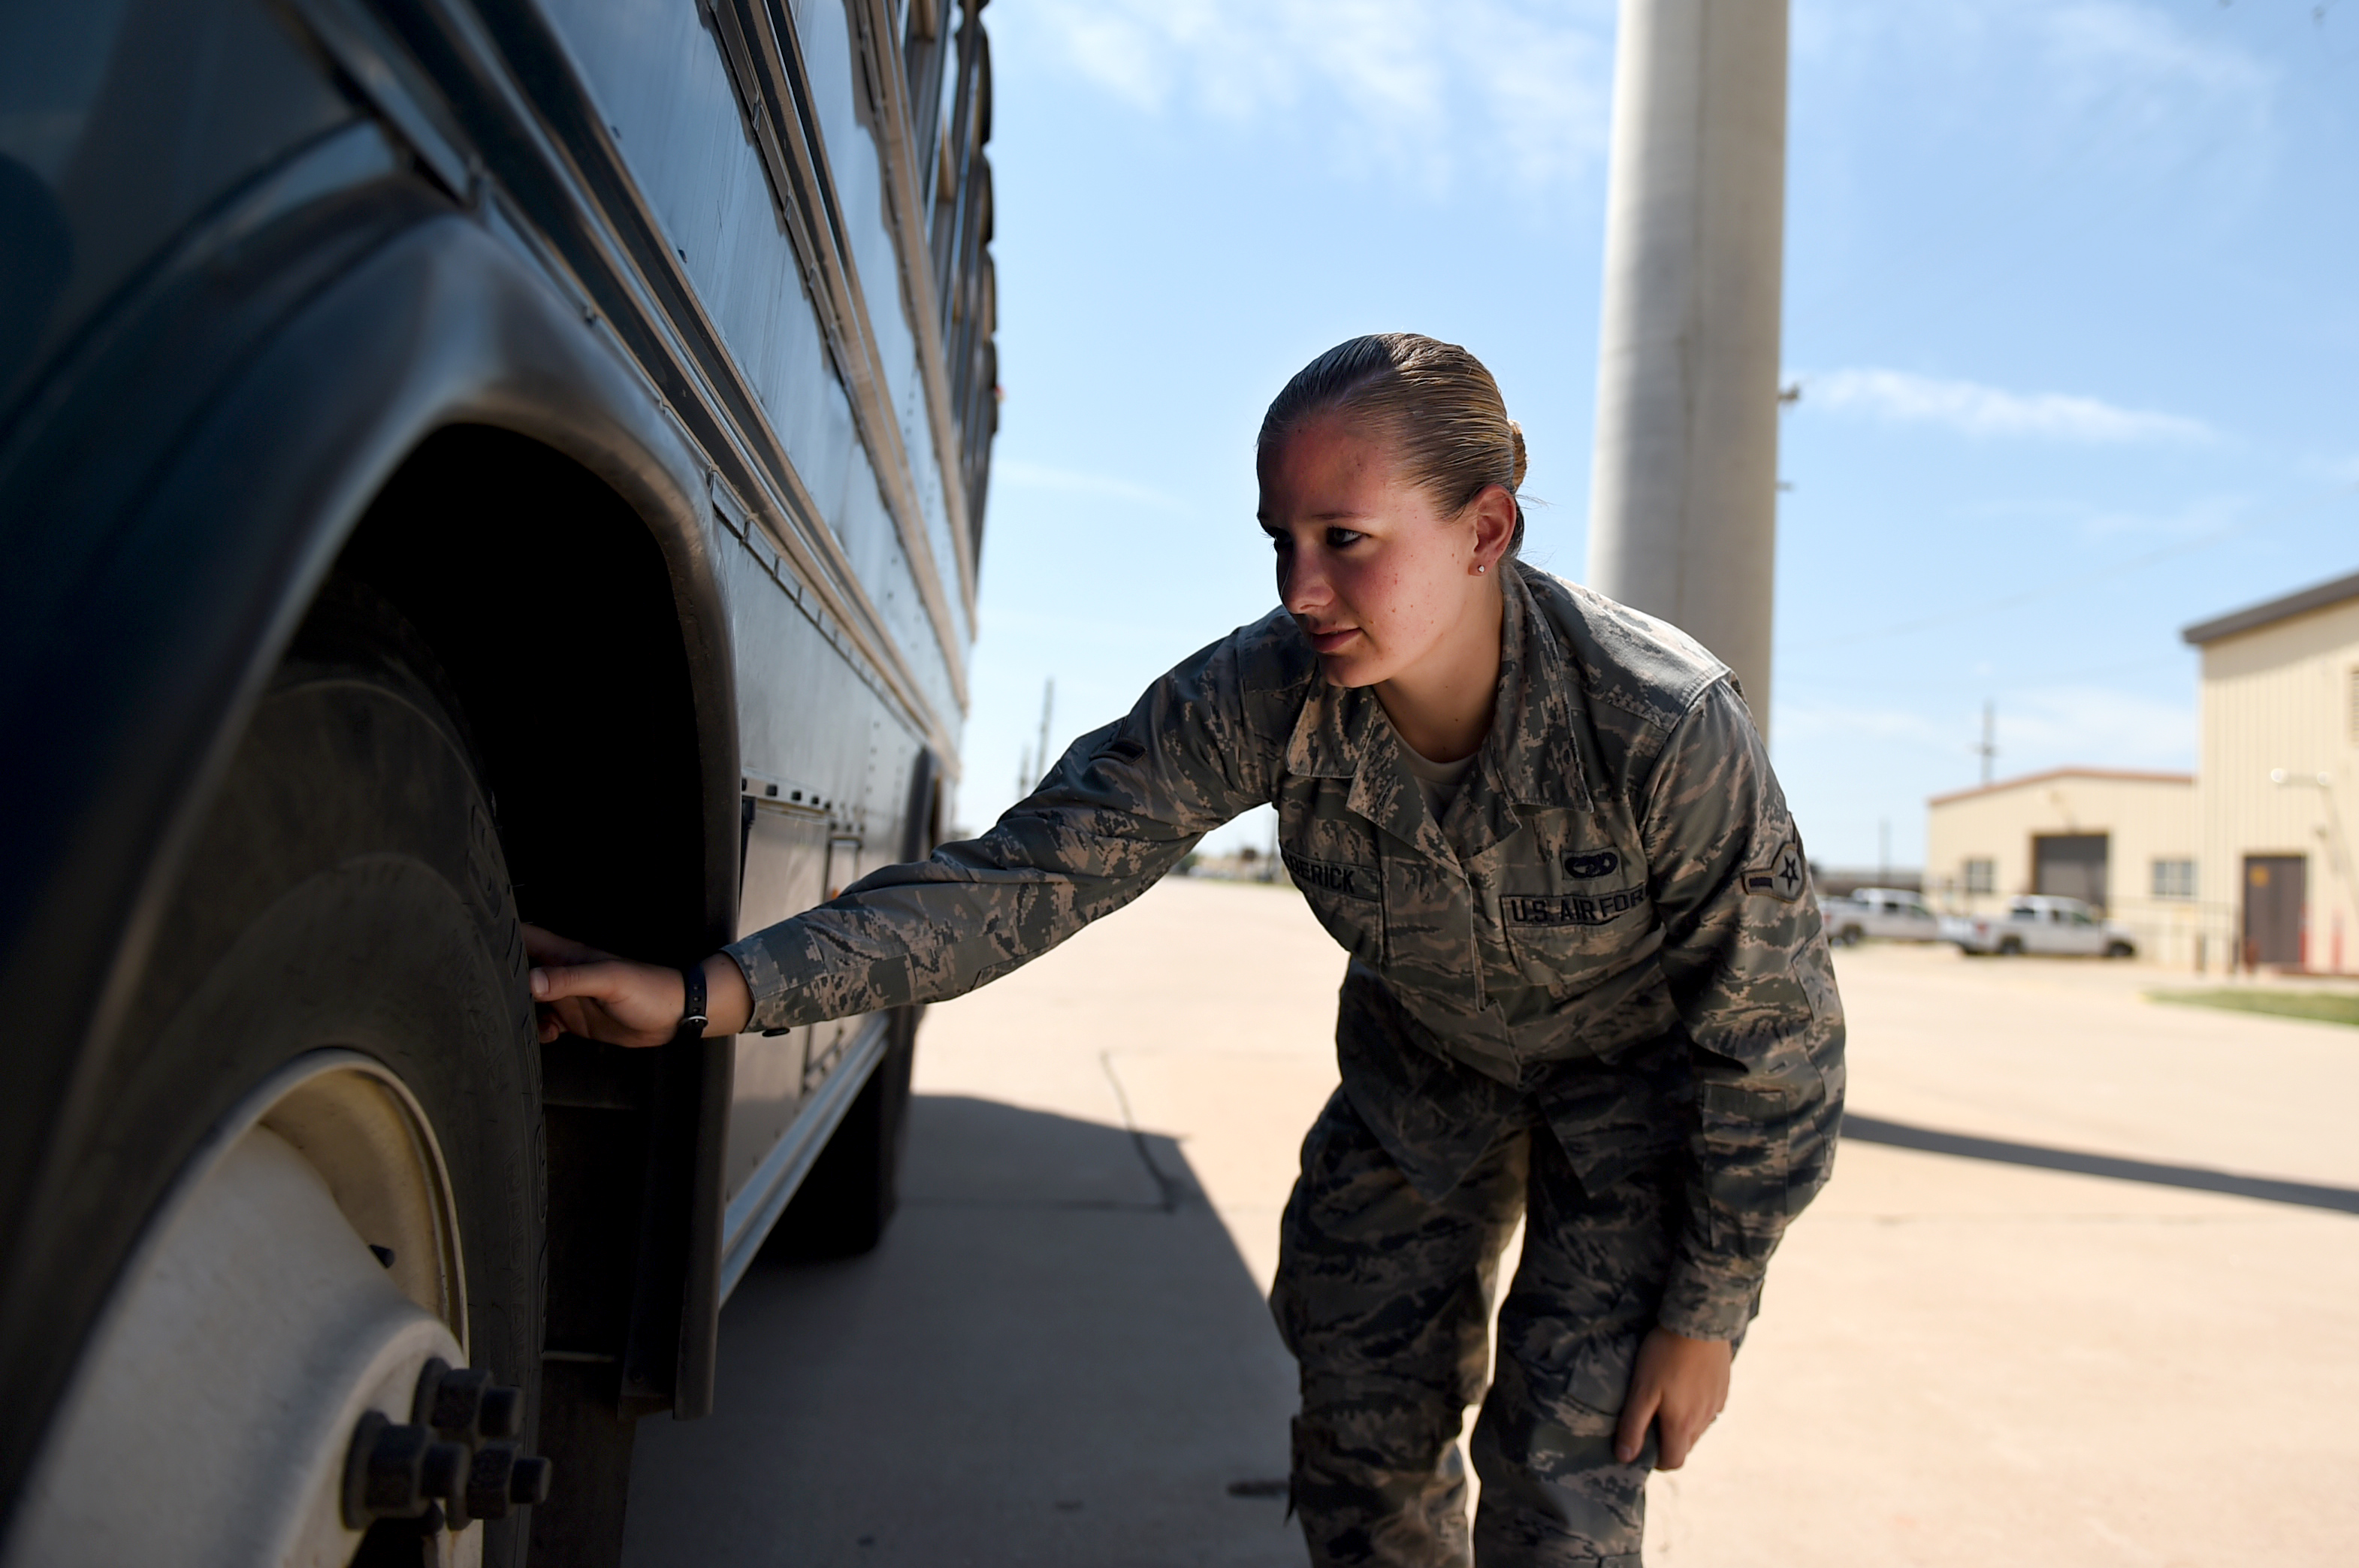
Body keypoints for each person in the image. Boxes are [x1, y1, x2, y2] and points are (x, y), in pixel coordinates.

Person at [525, 333, 1844, 1567]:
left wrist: (1708, 1308)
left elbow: (1775, 1039)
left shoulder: (1661, 724)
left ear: (1485, 528)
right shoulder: (1268, 693)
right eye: (1280, 541)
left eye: (1347, 540)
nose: (1301, 590)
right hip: (1422, 1080)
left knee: (1565, 1487)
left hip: (1631, 1102)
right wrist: (709, 994)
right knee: (1357, 1447)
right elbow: (1023, 881)